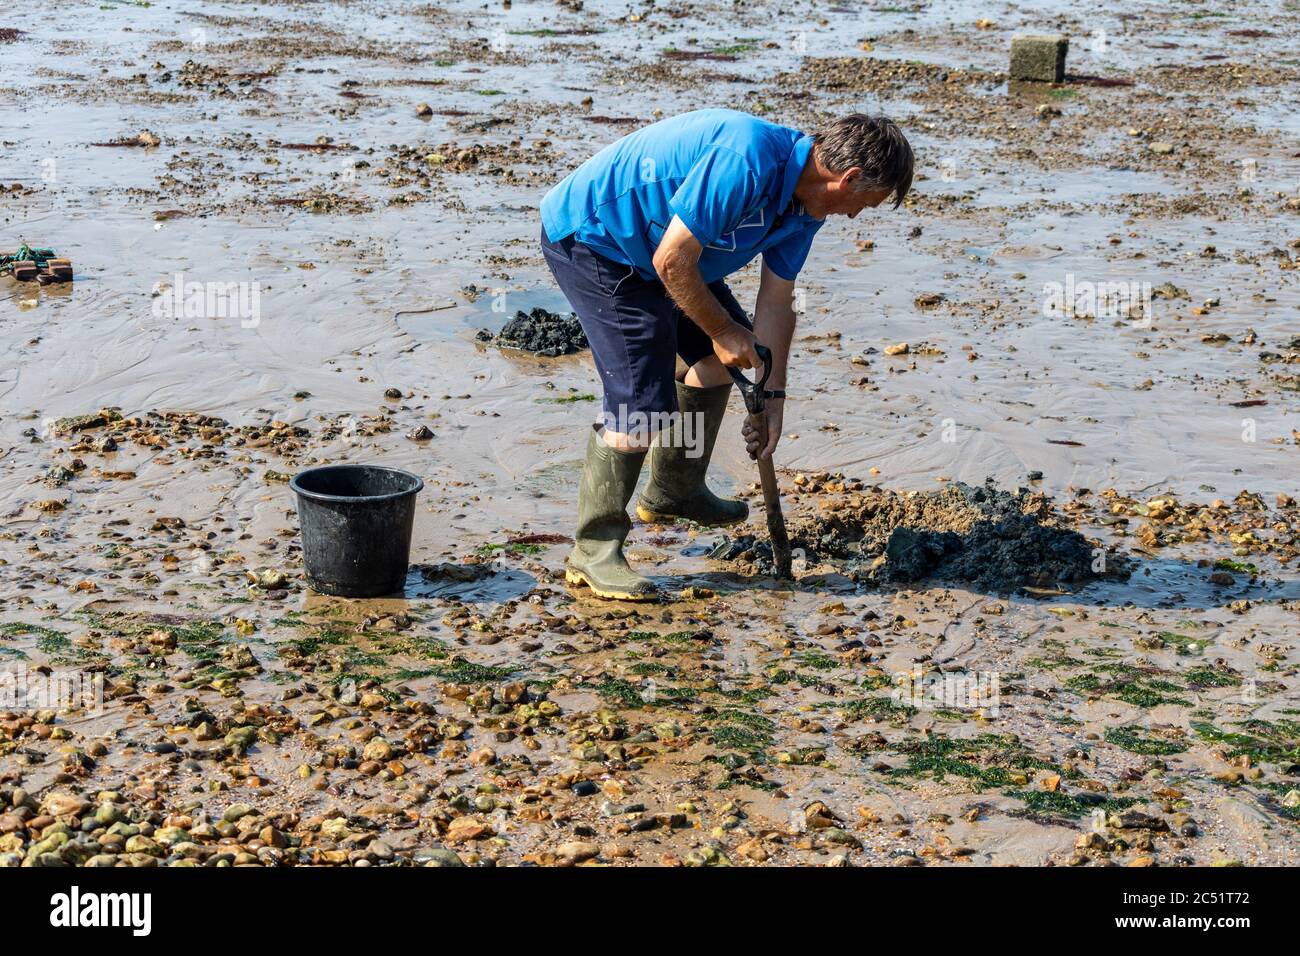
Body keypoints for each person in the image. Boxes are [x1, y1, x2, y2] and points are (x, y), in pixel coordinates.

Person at [540, 108, 914, 599]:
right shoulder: (748, 157)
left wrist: (773, 399)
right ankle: (593, 550)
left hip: (671, 256)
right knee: (640, 407)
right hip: (599, 240)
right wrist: (720, 328)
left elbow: (776, 304)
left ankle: (675, 489)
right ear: (848, 178)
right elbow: (671, 260)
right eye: (866, 202)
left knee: (721, 366)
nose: (855, 215)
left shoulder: (806, 208)